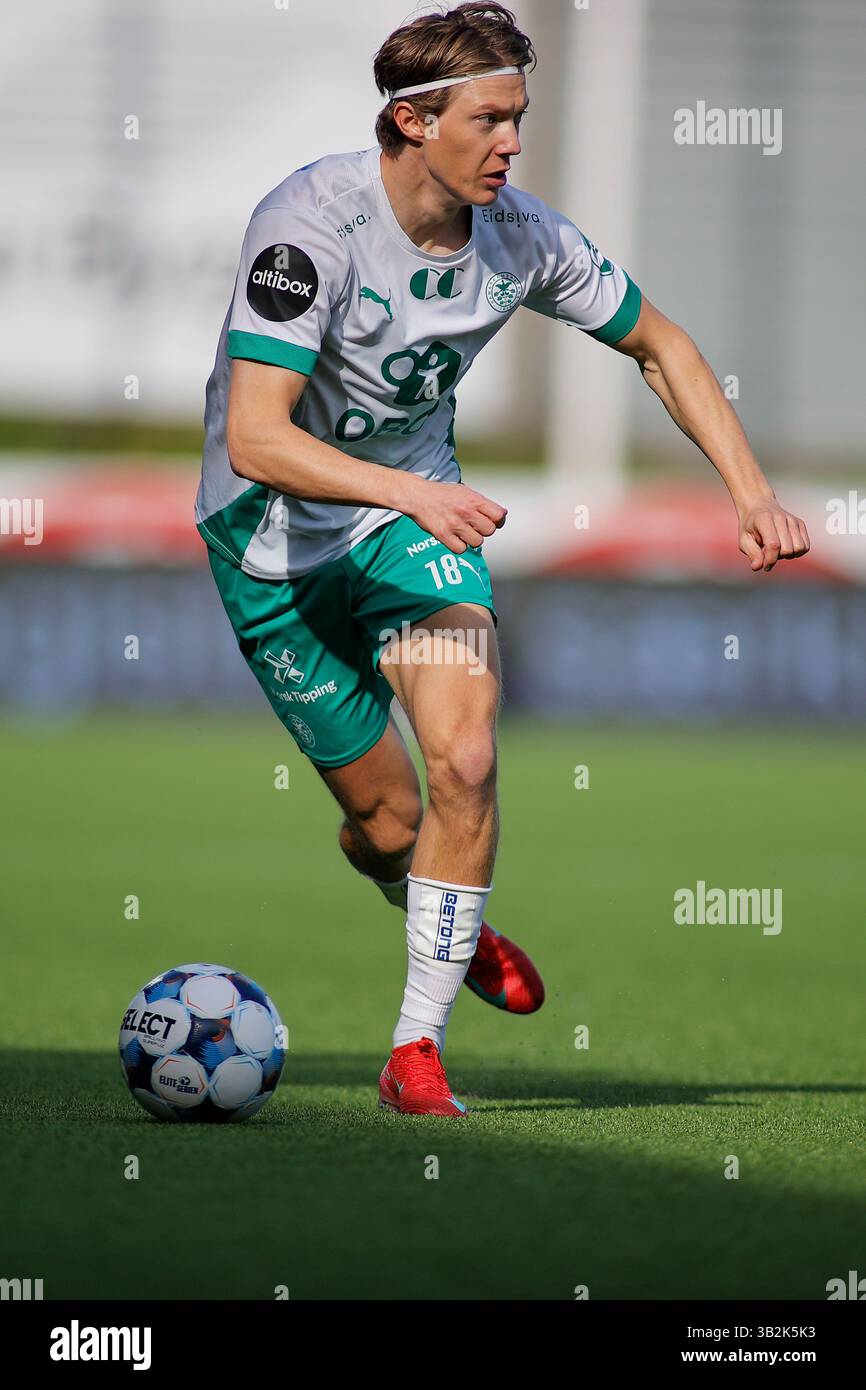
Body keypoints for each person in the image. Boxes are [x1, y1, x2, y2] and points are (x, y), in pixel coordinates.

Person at [195, 2, 810, 1118]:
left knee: (466, 763)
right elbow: (258, 436)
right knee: (384, 823)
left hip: (406, 535)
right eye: (490, 119)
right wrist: (410, 489)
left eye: (518, 118)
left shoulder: (522, 235)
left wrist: (749, 490)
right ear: (412, 120)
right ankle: (447, 921)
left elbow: (659, 347)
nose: (512, 143)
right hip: (271, 540)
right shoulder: (306, 227)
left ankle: (414, 1051)